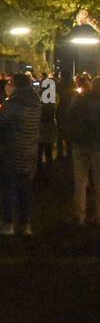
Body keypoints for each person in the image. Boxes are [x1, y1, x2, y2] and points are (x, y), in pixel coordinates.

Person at [0, 72, 42, 235]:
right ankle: (26, 224)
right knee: (26, 190)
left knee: (9, 189)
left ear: (16, 85)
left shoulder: (13, 104)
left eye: (11, 83)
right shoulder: (36, 102)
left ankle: (8, 224)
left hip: (10, 151)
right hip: (29, 151)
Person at [64, 76, 100, 225]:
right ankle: (98, 215)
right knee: (99, 182)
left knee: (80, 180)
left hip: (80, 144)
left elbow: (69, 117)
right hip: (98, 145)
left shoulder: (80, 100)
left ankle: (79, 214)